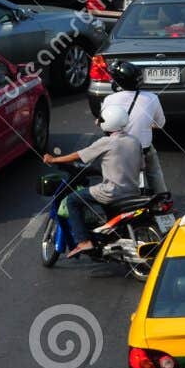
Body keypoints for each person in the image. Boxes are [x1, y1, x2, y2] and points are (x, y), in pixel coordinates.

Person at [41, 98, 144, 259]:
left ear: (108, 123)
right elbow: (141, 166)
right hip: (133, 191)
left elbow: (79, 155)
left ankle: (83, 241)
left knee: (72, 200)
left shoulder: (106, 142)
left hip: (111, 191)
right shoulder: (134, 141)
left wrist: (54, 159)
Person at [103, 60, 167, 194]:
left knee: (109, 169)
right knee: (154, 172)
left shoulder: (109, 99)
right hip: (144, 148)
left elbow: (105, 126)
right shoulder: (152, 98)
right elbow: (160, 124)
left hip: (119, 149)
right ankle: (163, 198)